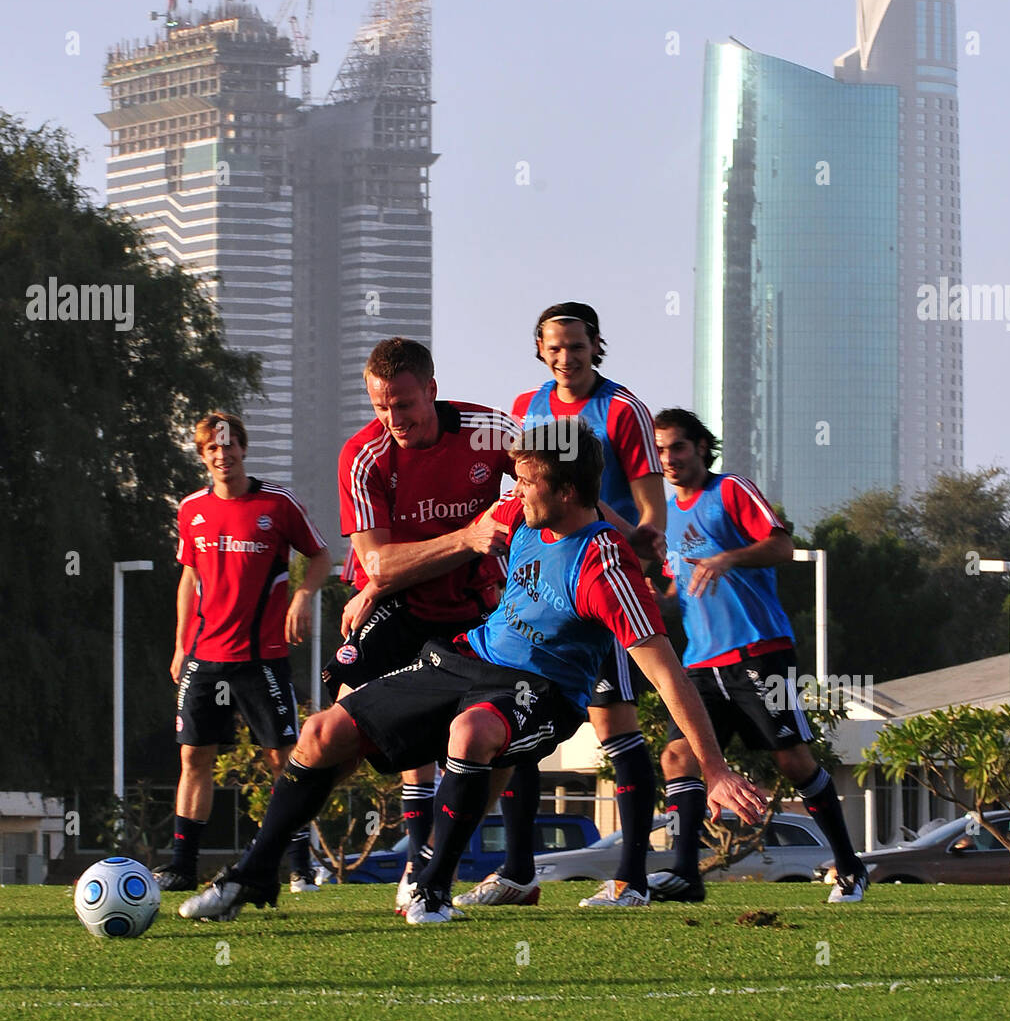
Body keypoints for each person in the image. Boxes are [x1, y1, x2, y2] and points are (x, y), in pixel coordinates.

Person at [179, 422, 766, 926]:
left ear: (563, 490)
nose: (514, 489)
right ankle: (253, 877)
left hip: (543, 692)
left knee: (472, 734)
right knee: (320, 734)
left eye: (527, 479)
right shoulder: (523, 511)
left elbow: (668, 675)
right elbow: (469, 538)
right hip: (469, 659)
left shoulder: (605, 568)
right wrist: (376, 586)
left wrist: (714, 769)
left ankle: (432, 890)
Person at [456, 302, 665, 909]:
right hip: (536, 590)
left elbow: (651, 523)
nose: (566, 357)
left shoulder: (623, 410)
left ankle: (632, 880)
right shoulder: (525, 408)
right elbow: (519, 494)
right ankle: (519, 875)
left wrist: (616, 529)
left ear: (597, 346)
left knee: (613, 725)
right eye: (555, 347)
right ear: (540, 350)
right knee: (516, 726)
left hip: (599, 585)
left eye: (577, 346)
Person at [646, 408, 870, 905]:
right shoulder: (662, 512)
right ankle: (685, 875)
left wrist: (729, 556)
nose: (669, 458)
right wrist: (654, 599)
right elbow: (680, 590)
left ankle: (850, 867)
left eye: (678, 447)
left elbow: (782, 546)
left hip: (759, 652)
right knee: (679, 755)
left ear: (702, 447)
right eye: (660, 450)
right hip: (701, 663)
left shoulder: (731, 491)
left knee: (792, 761)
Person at [320, 337, 515, 906]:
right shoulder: (363, 454)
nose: (392, 418)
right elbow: (378, 559)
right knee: (336, 727)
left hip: (473, 607)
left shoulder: (489, 429)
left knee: (506, 735)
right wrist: (464, 539)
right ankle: (282, 851)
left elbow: (546, 481)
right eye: (380, 406)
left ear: (431, 390)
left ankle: (437, 864)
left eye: (403, 404)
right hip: (395, 603)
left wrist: (620, 536)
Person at [155, 412, 331, 893]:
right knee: (194, 758)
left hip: (262, 658)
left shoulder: (277, 503)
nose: (222, 454)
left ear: (243, 449)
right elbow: (188, 579)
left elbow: (320, 555)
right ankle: (182, 867)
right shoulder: (190, 508)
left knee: (286, 761)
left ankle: (300, 867)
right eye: (212, 447)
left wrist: (302, 596)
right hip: (204, 658)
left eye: (230, 445)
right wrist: (180, 645)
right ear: (202, 454)